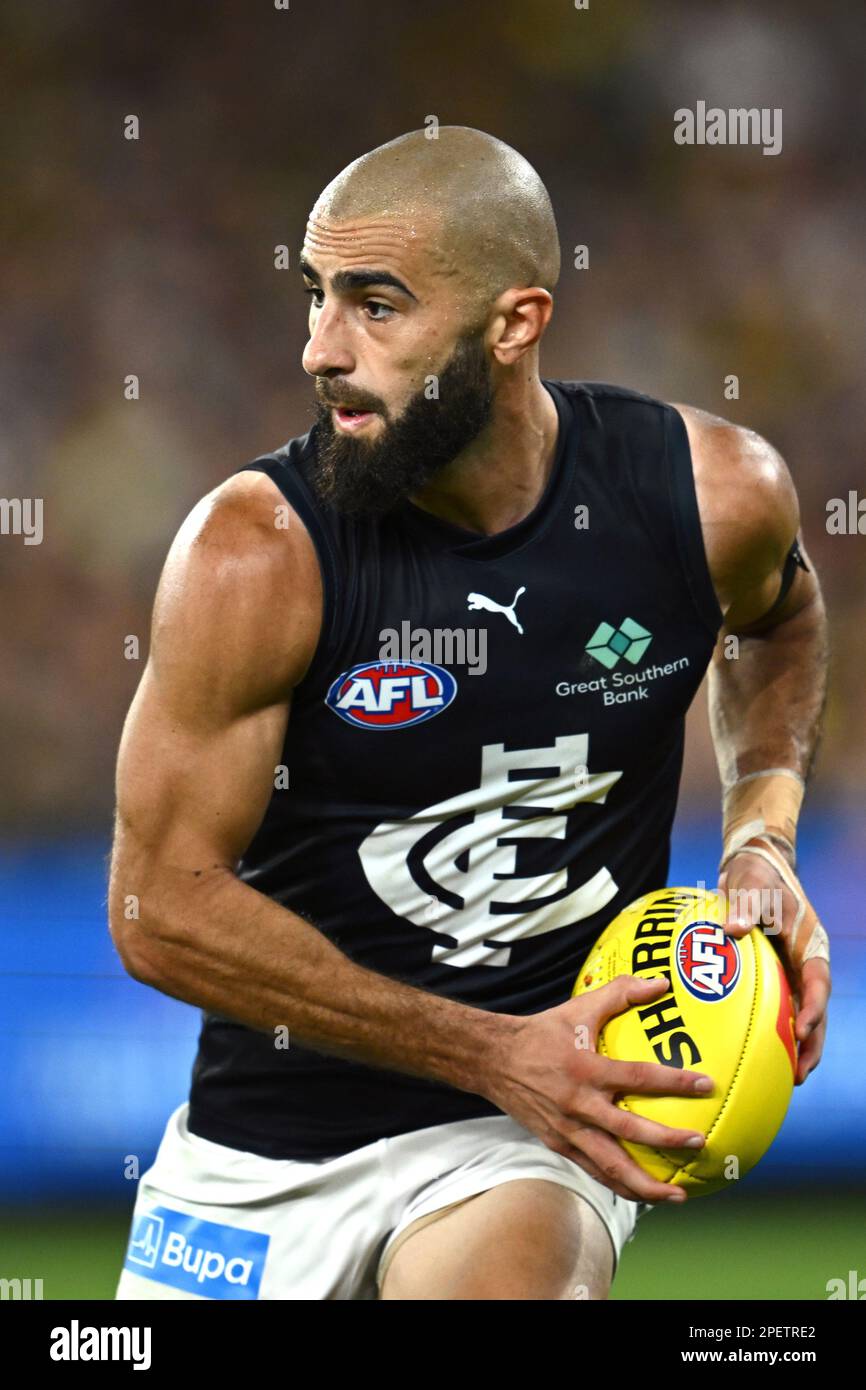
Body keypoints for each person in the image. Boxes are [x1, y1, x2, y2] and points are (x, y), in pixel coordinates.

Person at [110, 126, 830, 1301]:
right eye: (315, 296)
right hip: (257, 1163)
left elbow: (777, 622)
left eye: (375, 306)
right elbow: (157, 909)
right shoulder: (257, 553)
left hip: (520, 1147)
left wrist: (760, 826)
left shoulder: (708, 497)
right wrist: (495, 1053)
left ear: (514, 323)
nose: (319, 350)